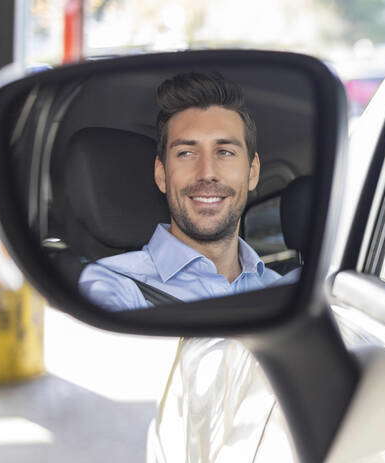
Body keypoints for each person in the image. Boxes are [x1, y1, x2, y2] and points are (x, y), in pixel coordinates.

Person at [79, 71, 293, 311]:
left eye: (224, 152)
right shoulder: (113, 284)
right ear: (161, 175)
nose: (206, 172)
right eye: (186, 153)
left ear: (252, 172)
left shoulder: (282, 292)